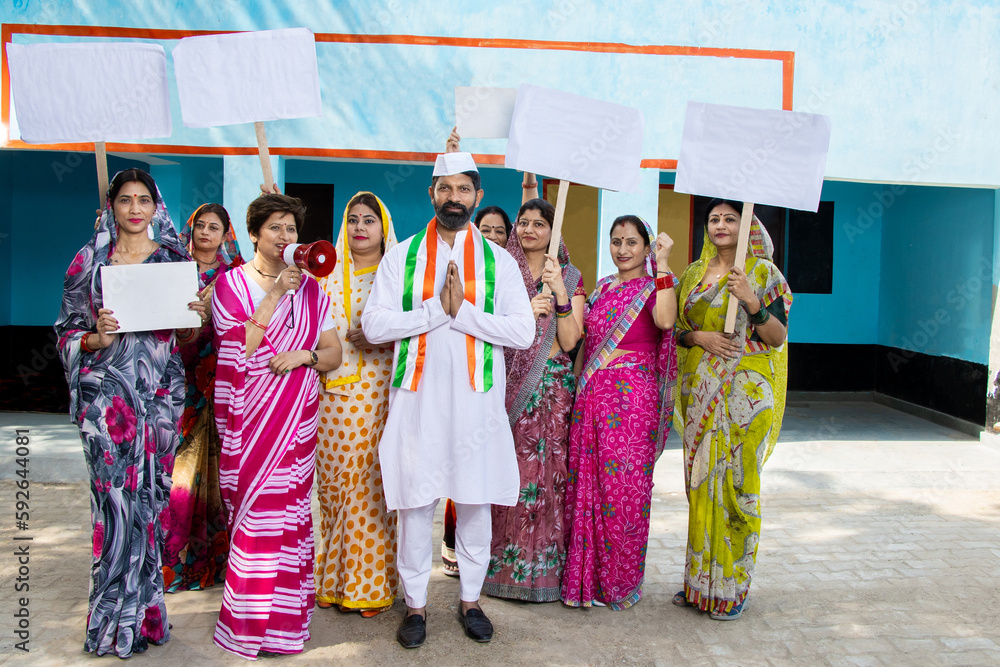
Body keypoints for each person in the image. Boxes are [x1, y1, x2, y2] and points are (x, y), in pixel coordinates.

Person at [362, 151, 534, 649]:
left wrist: (465, 315)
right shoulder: (402, 256)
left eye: (463, 190)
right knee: (416, 505)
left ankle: (471, 600)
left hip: (476, 406)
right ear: (431, 194)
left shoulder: (500, 261)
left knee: (476, 502)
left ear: (478, 197)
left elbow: (523, 332)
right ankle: (415, 606)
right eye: (445, 188)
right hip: (418, 402)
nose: (453, 198)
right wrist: (438, 308)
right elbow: (374, 325)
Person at [55, 168, 208, 658]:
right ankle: (109, 623)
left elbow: (186, 338)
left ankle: (144, 618)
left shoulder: (174, 260)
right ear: (112, 206)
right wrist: (96, 337)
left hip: (161, 399)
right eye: (126, 200)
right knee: (114, 506)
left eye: (144, 199)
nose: (136, 209)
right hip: (108, 402)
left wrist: (192, 320)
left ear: (155, 205)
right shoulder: (89, 260)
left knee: (149, 504)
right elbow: (66, 331)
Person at [211, 191, 343, 659]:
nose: (286, 237)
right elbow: (238, 348)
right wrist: (274, 293)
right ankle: (245, 625)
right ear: (253, 235)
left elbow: (334, 354)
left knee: (289, 521)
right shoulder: (230, 285)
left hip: (295, 426)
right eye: (276, 229)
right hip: (248, 425)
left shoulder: (313, 290)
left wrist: (305, 355)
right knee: (253, 522)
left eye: (292, 229)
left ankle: (286, 625)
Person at [672, 199, 791, 621]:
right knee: (701, 485)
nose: (720, 225)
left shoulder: (762, 273)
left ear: (747, 226)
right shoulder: (691, 274)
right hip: (701, 391)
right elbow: (678, 334)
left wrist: (752, 302)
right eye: (714, 219)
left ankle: (732, 588)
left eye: (730, 218)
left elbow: (776, 336)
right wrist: (699, 337)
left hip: (745, 396)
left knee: (738, 487)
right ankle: (699, 584)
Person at [561, 215, 678, 610]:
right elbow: (584, 344)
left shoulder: (657, 286)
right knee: (587, 487)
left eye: (631, 242)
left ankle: (620, 582)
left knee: (624, 491)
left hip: (631, 402)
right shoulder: (602, 288)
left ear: (646, 246)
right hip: (592, 397)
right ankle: (586, 580)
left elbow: (665, 321)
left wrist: (662, 268)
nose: (623, 250)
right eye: (616, 241)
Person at [481, 198, 585, 602]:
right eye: (522, 222)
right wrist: (523, 312)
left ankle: (542, 574)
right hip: (504, 387)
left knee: (546, 478)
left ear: (552, 231)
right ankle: (495, 569)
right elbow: (482, 326)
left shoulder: (570, 276)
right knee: (508, 475)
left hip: (551, 388)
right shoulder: (499, 275)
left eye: (538, 224)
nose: (527, 230)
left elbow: (571, 339)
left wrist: (559, 292)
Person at [314, 192, 399, 616]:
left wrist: (385, 332)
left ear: (384, 229)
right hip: (328, 396)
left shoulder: (398, 276)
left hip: (377, 394)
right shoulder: (325, 276)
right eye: (353, 219)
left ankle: (370, 583)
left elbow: (423, 323)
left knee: (367, 486)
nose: (360, 227)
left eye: (369, 220)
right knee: (331, 488)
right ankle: (333, 581)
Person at [162, 203, 243, 593]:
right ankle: (177, 564)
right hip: (182, 382)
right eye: (201, 226)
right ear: (190, 231)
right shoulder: (172, 271)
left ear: (226, 234)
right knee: (182, 473)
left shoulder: (235, 277)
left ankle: (223, 561)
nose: (206, 233)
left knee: (224, 472)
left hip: (229, 381)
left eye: (215, 228)